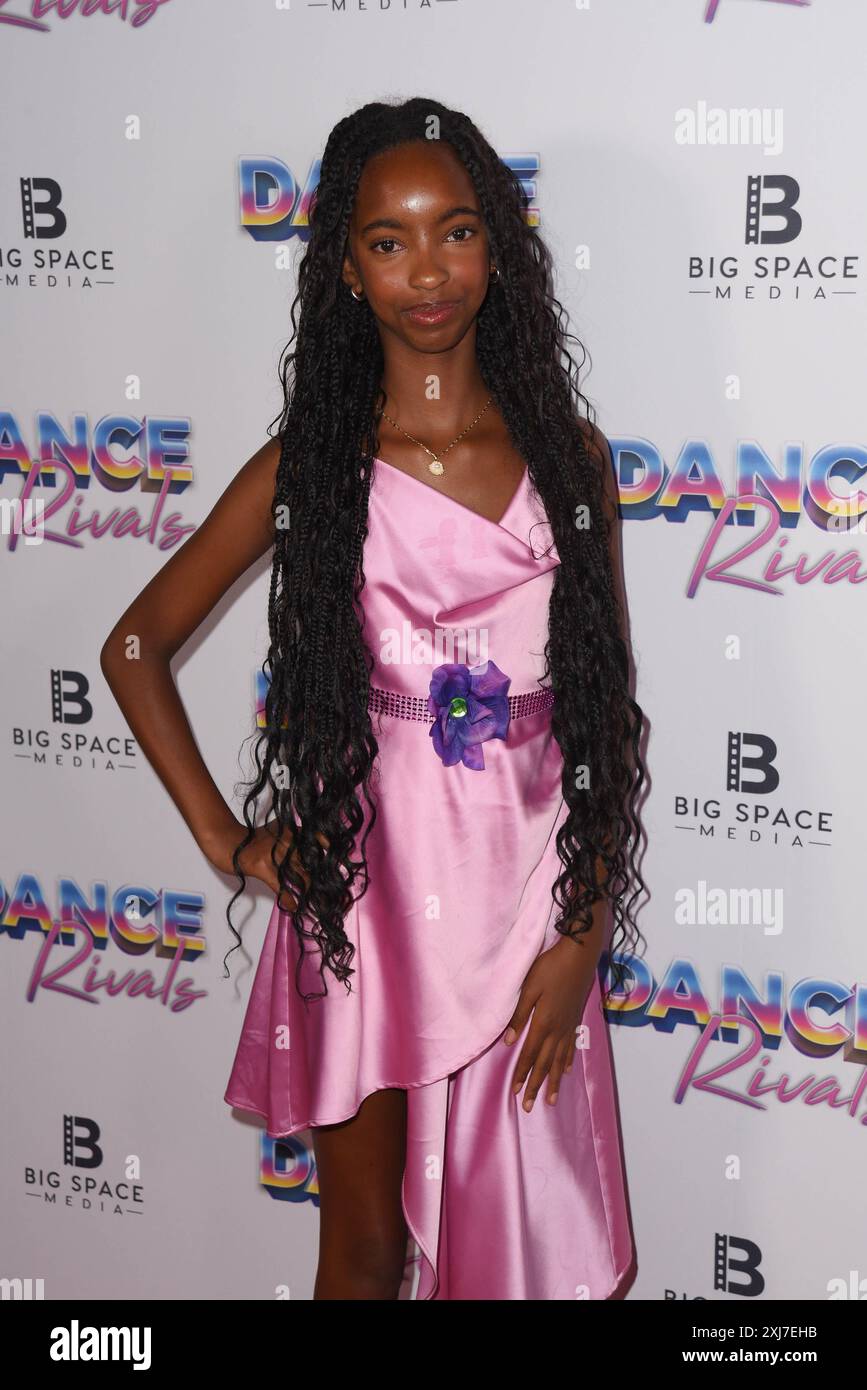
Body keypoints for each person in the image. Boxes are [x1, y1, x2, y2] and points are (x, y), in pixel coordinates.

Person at [101, 96, 648, 1301]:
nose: (426, 272)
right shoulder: (318, 465)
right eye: (388, 243)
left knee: (519, 1246)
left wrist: (583, 930)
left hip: (530, 905)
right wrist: (230, 841)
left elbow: (608, 716)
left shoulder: (571, 456)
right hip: (366, 902)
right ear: (345, 270)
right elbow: (136, 644)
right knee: (359, 1250)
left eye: (453, 232)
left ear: (497, 249)